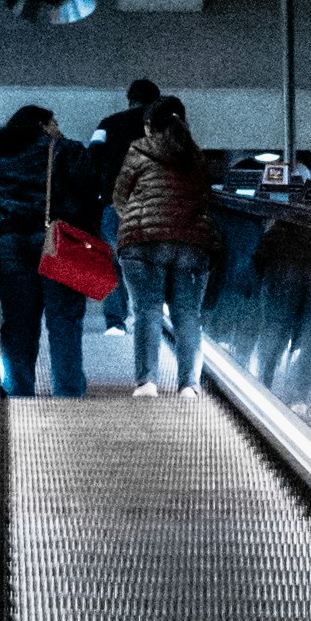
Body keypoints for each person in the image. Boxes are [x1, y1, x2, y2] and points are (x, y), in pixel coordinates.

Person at [0, 94, 108, 396]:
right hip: (58, 240)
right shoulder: (66, 150)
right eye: (54, 121)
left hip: (9, 242)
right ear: (43, 125)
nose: (58, 126)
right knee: (64, 319)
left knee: (19, 322)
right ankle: (68, 391)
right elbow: (90, 189)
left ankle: (18, 389)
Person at [105, 76, 219, 391]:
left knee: (147, 311)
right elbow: (205, 196)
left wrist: (136, 219)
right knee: (187, 314)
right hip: (192, 244)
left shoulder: (139, 149)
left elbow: (119, 195)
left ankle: (147, 384)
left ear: (148, 126)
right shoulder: (196, 155)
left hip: (142, 243)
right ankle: (189, 386)